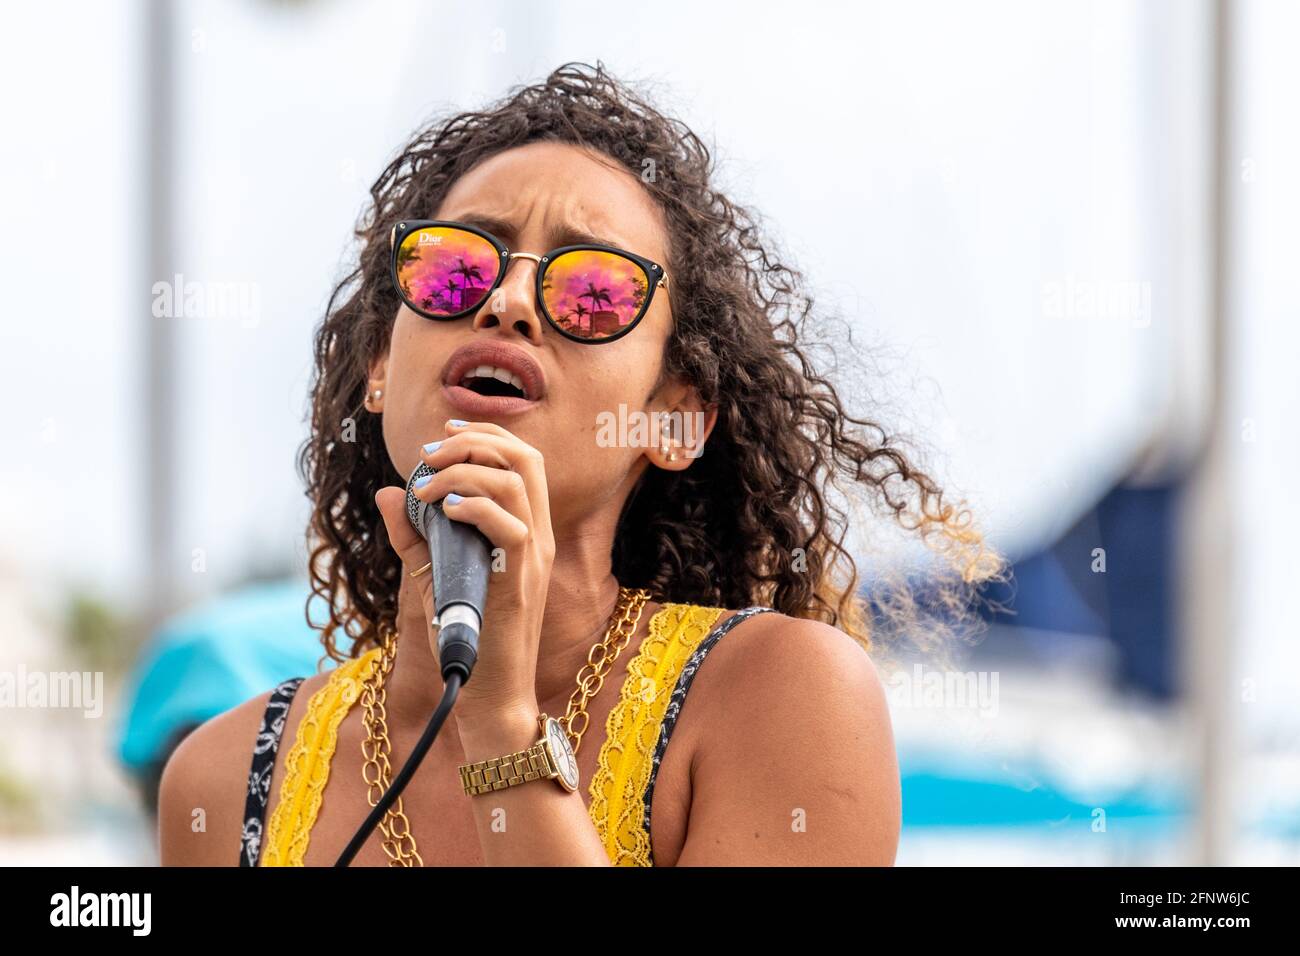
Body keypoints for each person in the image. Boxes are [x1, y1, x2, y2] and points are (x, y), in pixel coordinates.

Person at [158, 62, 997, 867]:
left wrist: (503, 725)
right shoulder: (227, 781)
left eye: (592, 292)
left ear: (673, 421)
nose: (508, 302)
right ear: (379, 366)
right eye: (456, 269)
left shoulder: (782, 703)